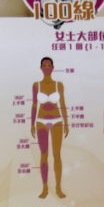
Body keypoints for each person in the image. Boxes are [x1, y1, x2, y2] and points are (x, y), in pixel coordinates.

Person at [31, 56, 68, 198]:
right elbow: (34, 104)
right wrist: (32, 122)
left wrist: (66, 122)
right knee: (44, 155)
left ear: (53, 68)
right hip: (40, 121)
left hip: (57, 120)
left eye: (49, 65)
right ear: (41, 68)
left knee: (57, 155)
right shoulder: (36, 85)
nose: (46, 68)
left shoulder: (59, 85)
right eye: (44, 65)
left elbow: (63, 104)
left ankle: (58, 188)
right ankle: (45, 188)